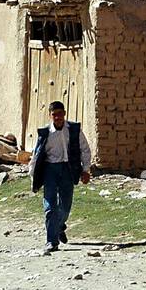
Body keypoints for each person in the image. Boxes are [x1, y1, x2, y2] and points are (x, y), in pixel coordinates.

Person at [29, 100, 92, 255]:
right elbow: (36, 155)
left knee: (65, 205)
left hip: (68, 169)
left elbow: (85, 149)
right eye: (54, 115)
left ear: (64, 113)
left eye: (60, 114)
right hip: (50, 169)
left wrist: (86, 169)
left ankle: (59, 226)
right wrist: (33, 176)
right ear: (50, 116)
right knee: (50, 206)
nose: (57, 117)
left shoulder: (74, 129)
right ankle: (51, 241)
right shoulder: (45, 133)